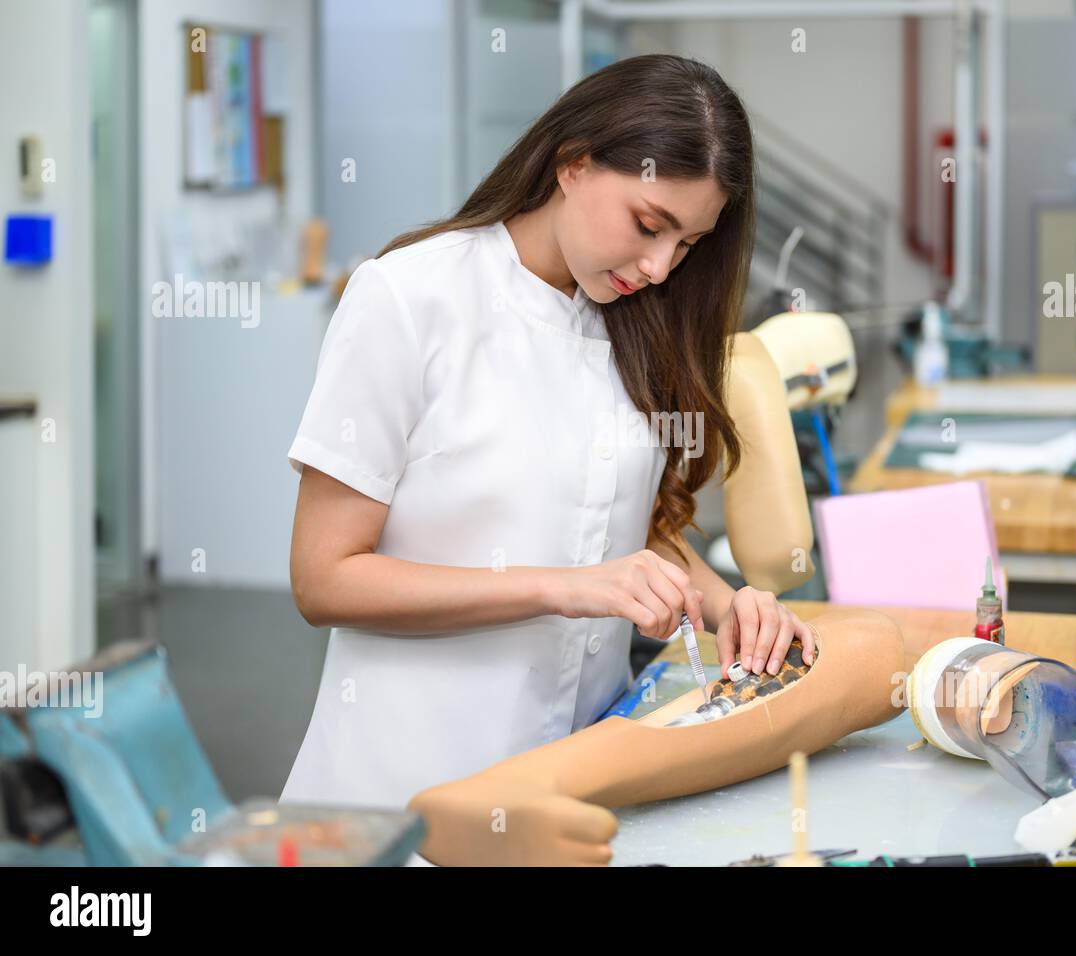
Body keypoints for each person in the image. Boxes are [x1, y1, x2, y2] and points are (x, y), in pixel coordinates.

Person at [280, 54, 816, 823]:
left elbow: (625, 526)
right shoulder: (409, 298)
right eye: (648, 225)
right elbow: (324, 579)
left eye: (689, 243)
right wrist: (562, 587)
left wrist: (730, 609)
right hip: (405, 793)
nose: (661, 266)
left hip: (581, 783)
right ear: (572, 163)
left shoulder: (639, 322)